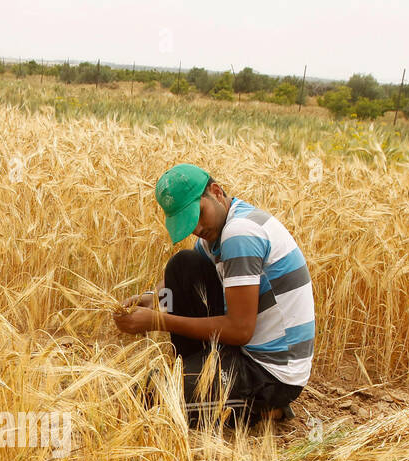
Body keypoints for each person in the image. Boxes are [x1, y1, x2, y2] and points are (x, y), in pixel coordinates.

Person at [115, 163, 315, 429]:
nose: (197, 228)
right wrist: (152, 299)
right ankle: (199, 375)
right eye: (188, 223)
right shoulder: (219, 231)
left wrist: (157, 322)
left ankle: (262, 406)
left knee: (153, 399)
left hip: (271, 373)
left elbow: (240, 330)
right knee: (182, 264)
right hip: (244, 352)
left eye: (198, 214)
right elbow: (182, 281)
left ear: (216, 192)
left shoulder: (240, 233)